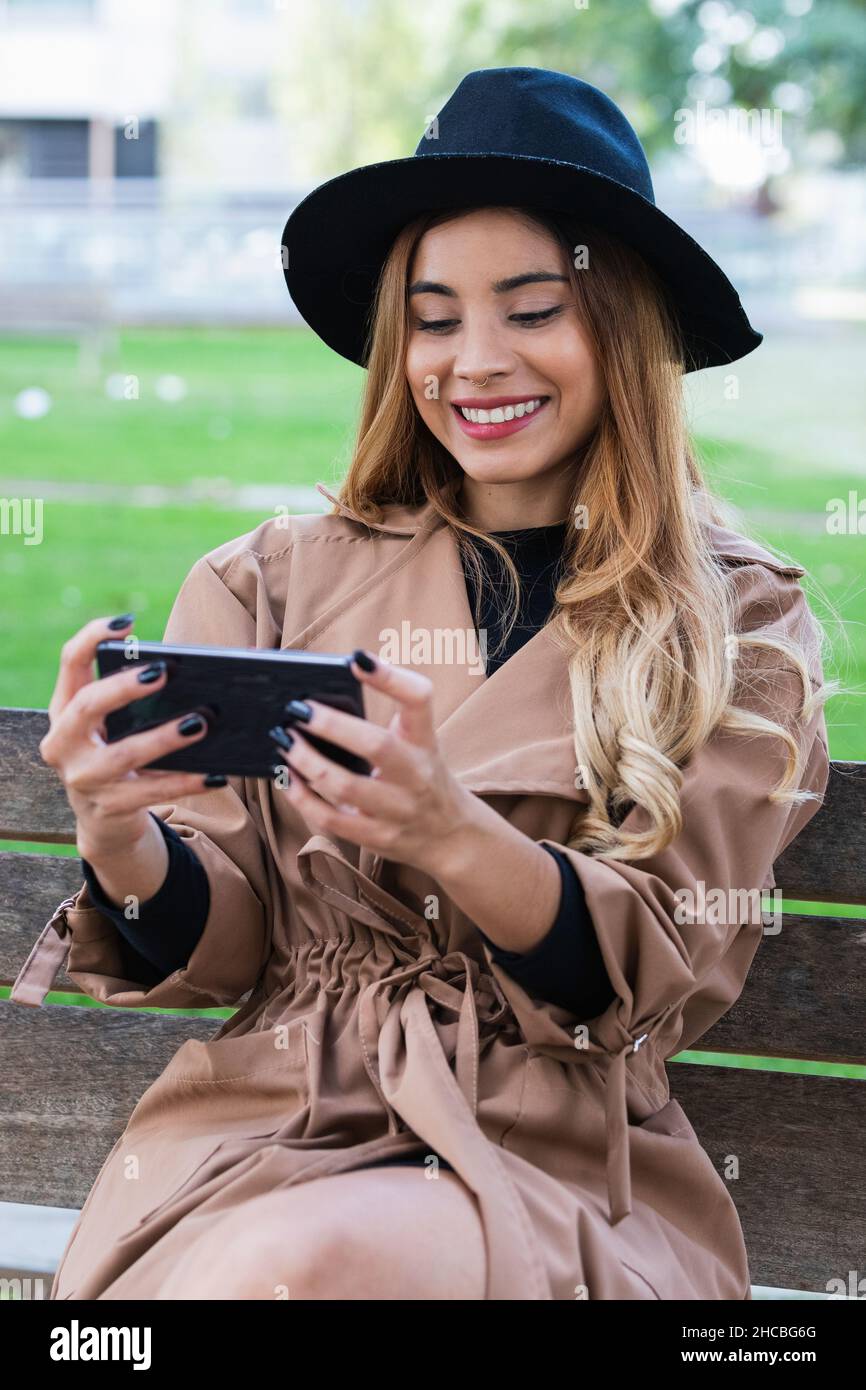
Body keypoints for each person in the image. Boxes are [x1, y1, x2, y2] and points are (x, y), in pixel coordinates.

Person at [14, 67, 833, 1301]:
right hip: (269, 1128)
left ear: (622, 325)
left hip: (555, 1162)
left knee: (292, 1271)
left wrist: (451, 833)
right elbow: (228, 952)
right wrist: (119, 835)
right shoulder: (271, 580)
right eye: (434, 318)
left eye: (530, 308)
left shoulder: (738, 620)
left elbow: (656, 975)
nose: (475, 360)